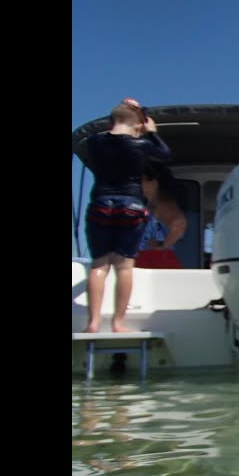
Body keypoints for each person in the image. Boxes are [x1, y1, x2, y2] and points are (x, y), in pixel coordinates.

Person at [81, 98, 172, 332]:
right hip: (130, 207)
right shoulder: (141, 145)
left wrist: (127, 111)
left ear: (112, 120)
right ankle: (118, 323)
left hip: (100, 204)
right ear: (139, 125)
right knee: (123, 267)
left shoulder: (94, 141)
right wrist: (151, 132)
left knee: (99, 266)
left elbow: (112, 131)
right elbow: (165, 153)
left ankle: (93, 322)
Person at [135, 164, 187, 269]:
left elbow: (179, 223)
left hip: (158, 260)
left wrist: (163, 246)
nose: (139, 183)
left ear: (154, 182)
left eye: (143, 179)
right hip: (146, 258)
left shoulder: (164, 205)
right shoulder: (147, 205)